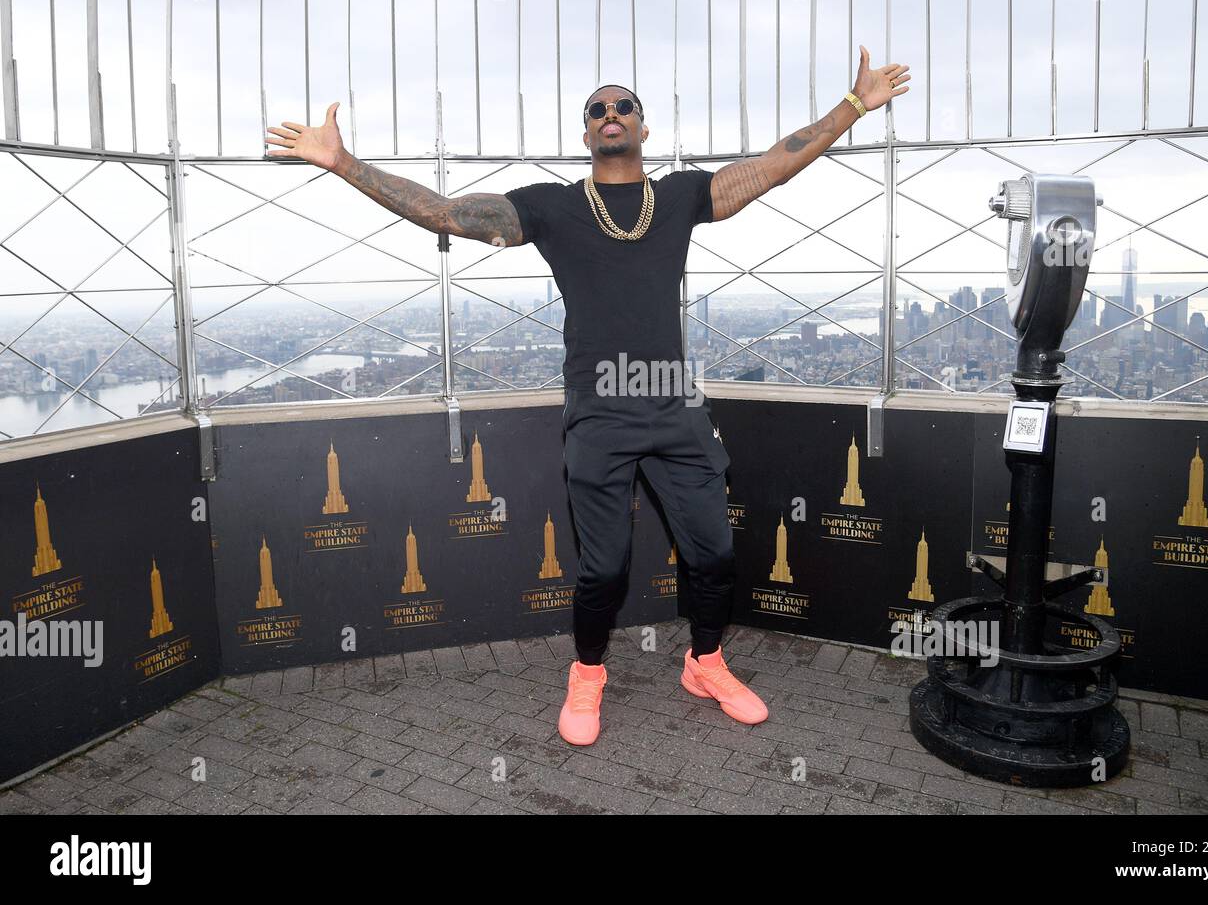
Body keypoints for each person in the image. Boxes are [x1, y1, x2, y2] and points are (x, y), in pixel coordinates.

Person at [264, 45, 909, 746]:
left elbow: (770, 168)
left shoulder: (683, 195)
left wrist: (852, 106)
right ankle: (589, 673)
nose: (610, 114)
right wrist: (343, 163)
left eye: (622, 105)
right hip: (600, 413)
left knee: (715, 554)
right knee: (603, 567)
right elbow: (447, 214)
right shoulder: (555, 208)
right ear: (584, 135)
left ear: (644, 127)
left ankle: (706, 661)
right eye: (596, 109)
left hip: (674, 406)